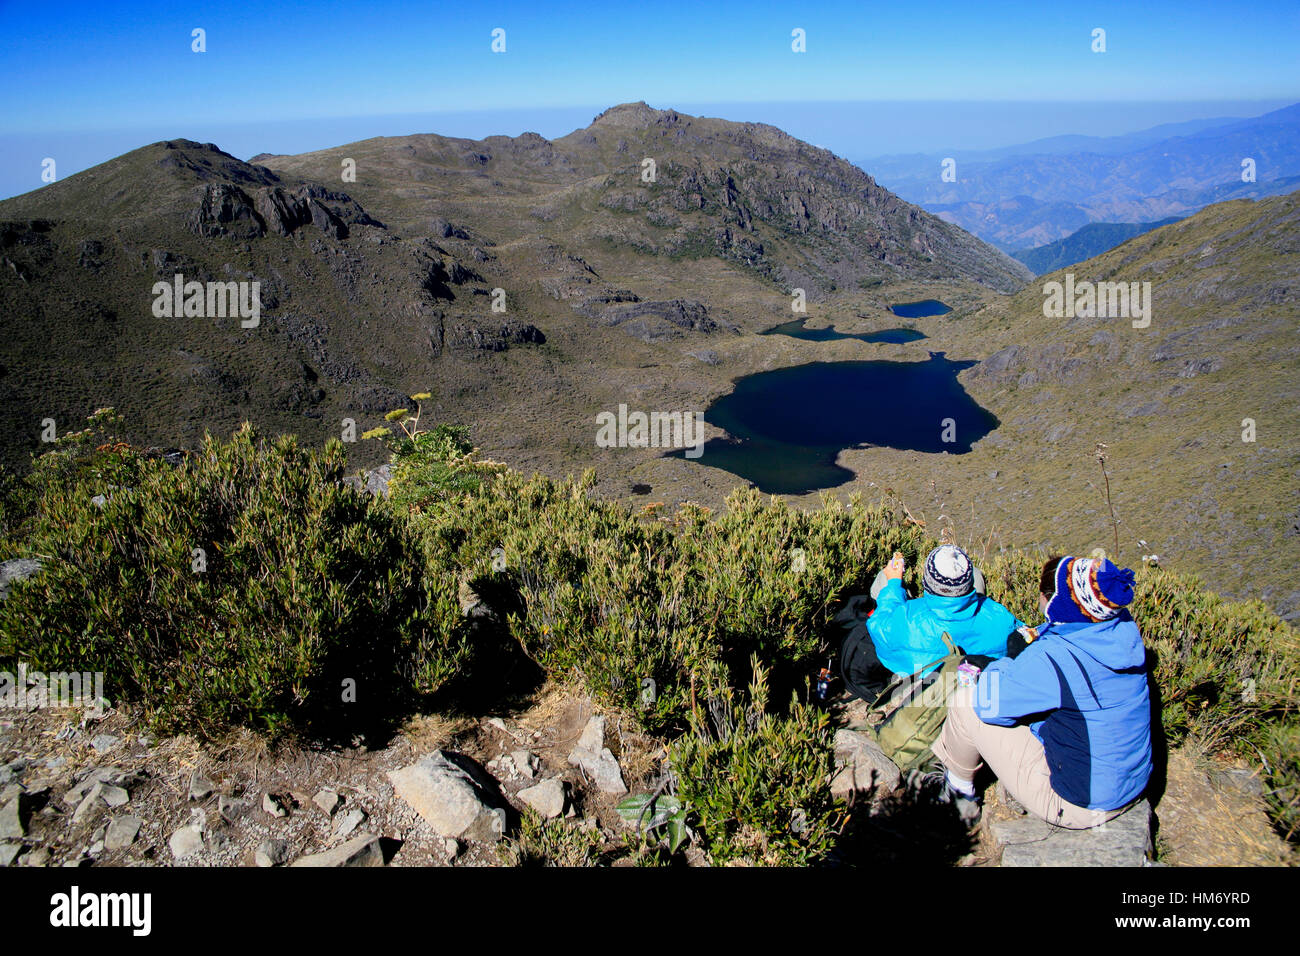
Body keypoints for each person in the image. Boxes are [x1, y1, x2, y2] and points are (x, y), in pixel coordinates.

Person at [927, 554, 1153, 828]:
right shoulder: (1122, 633)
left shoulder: (1056, 657)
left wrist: (1006, 663)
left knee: (966, 702)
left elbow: (990, 704)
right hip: (1130, 784)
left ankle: (957, 797)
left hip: (1079, 803)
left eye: (1043, 594)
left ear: (1056, 601)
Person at [847, 545, 1021, 699]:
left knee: (883, 580)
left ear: (926, 582)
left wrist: (893, 583)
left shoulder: (907, 621)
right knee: (976, 571)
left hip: (920, 680)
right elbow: (1025, 638)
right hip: (970, 685)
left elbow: (878, 625)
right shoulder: (1001, 618)